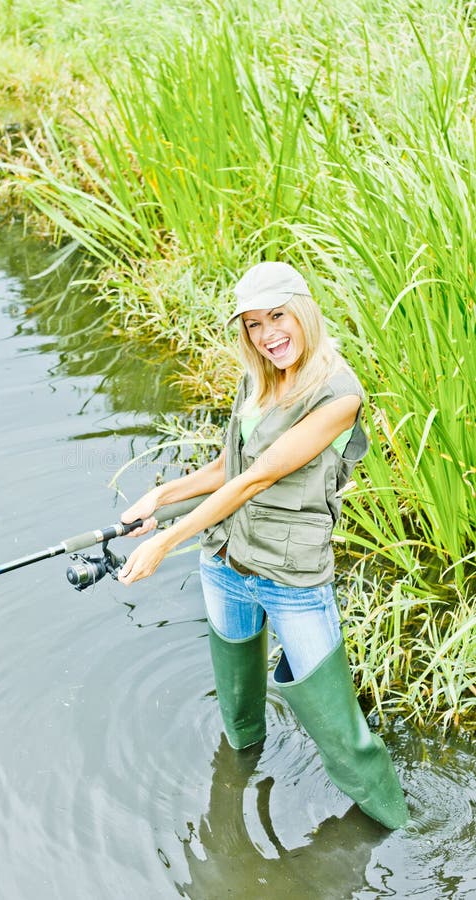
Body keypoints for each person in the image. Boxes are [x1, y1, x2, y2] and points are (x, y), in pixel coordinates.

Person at [117, 261, 409, 830]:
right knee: (238, 706)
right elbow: (230, 466)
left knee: (341, 730)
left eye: (277, 316)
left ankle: (395, 823)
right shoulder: (260, 378)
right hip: (226, 558)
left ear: (303, 311)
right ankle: (239, 771)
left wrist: (166, 542)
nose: (267, 334)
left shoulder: (337, 396)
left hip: (291, 574)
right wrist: (158, 499)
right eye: (252, 324)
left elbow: (257, 479)